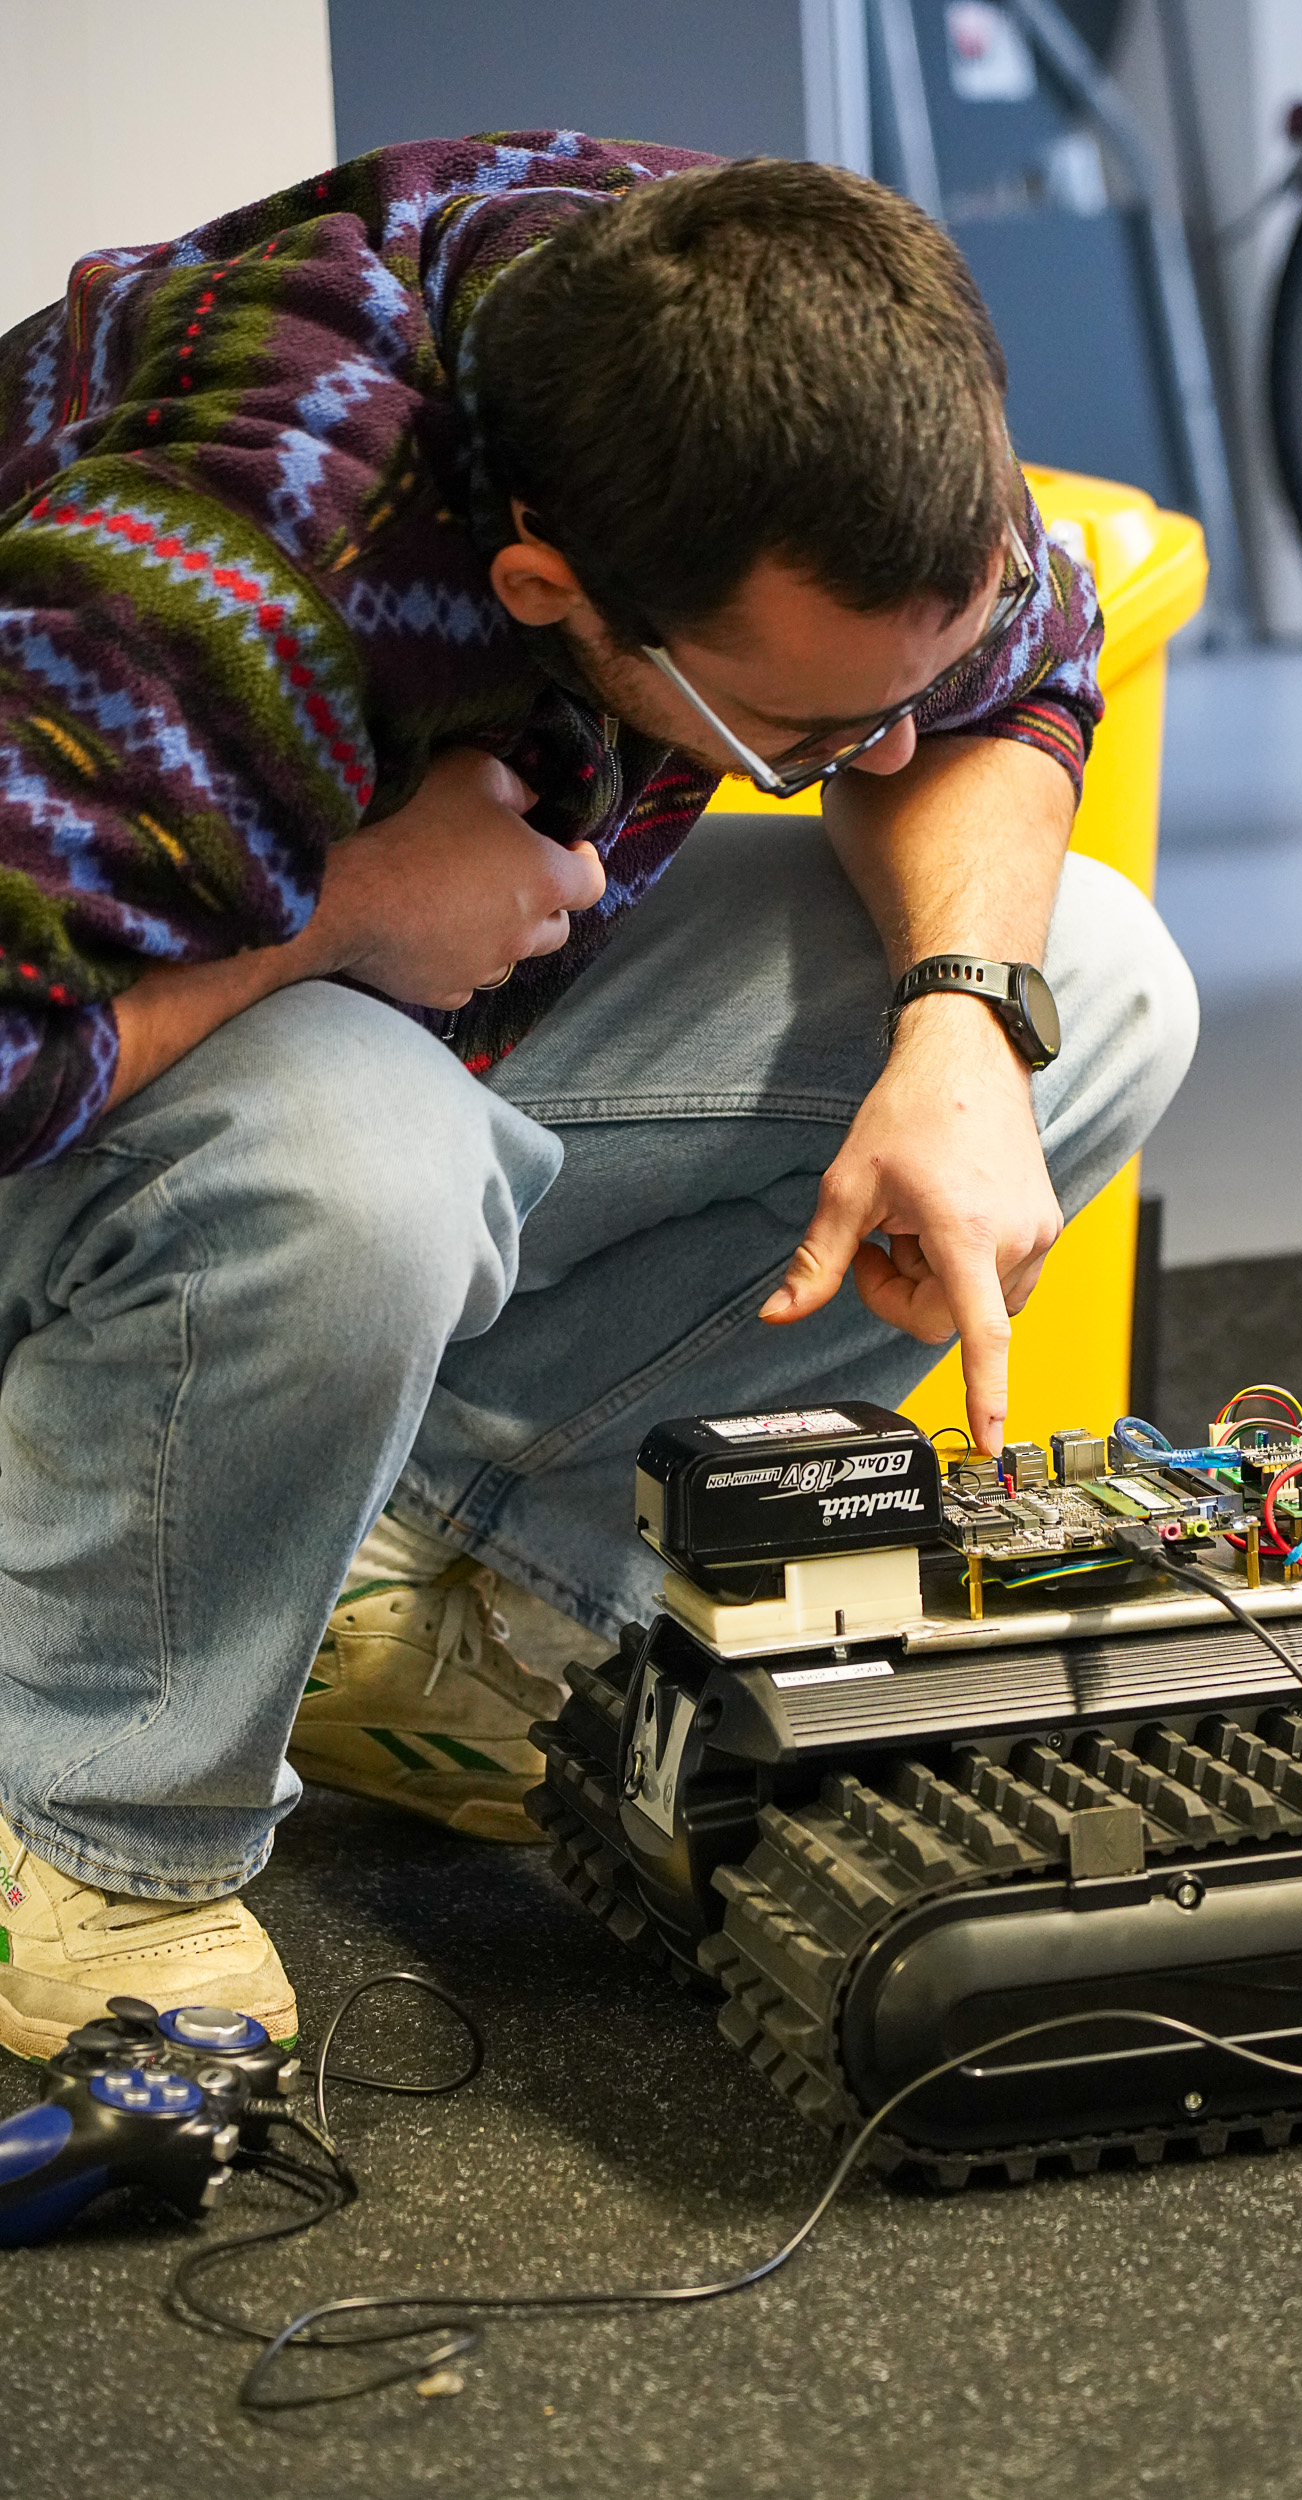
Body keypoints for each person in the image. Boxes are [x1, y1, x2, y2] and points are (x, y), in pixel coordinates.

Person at [0, 134, 1197, 2056]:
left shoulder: (774, 346)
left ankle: (423, 1589)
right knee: (355, 1155)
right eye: (805, 734)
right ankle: (87, 1826)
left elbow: (1009, 701)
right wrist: (332, 922)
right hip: (89, 1086)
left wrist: (965, 1021)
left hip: (444, 994)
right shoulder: (217, 584)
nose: (880, 751)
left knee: (1096, 986)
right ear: (553, 587)